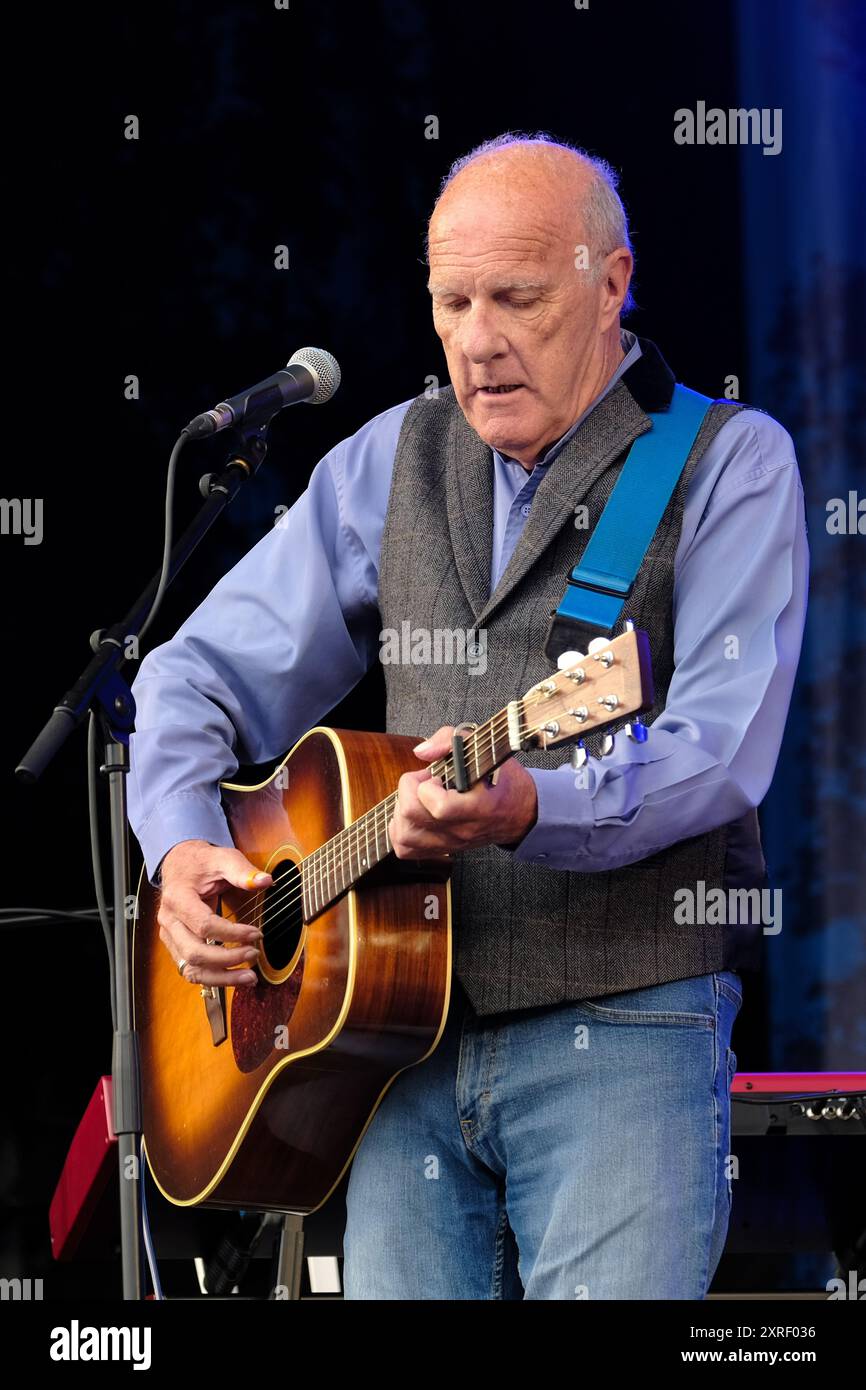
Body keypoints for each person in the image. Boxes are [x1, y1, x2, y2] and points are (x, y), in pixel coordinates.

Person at [128, 132, 808, 1299]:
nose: (477, 339)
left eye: (518, 297)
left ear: (612, 283)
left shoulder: (729, 463)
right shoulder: (389, 455)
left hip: (626, 1027)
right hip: (387, 1055)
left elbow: (717, 752)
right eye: (451, 301)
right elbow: (186, 679)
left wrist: (530, 804)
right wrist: (184, 847)